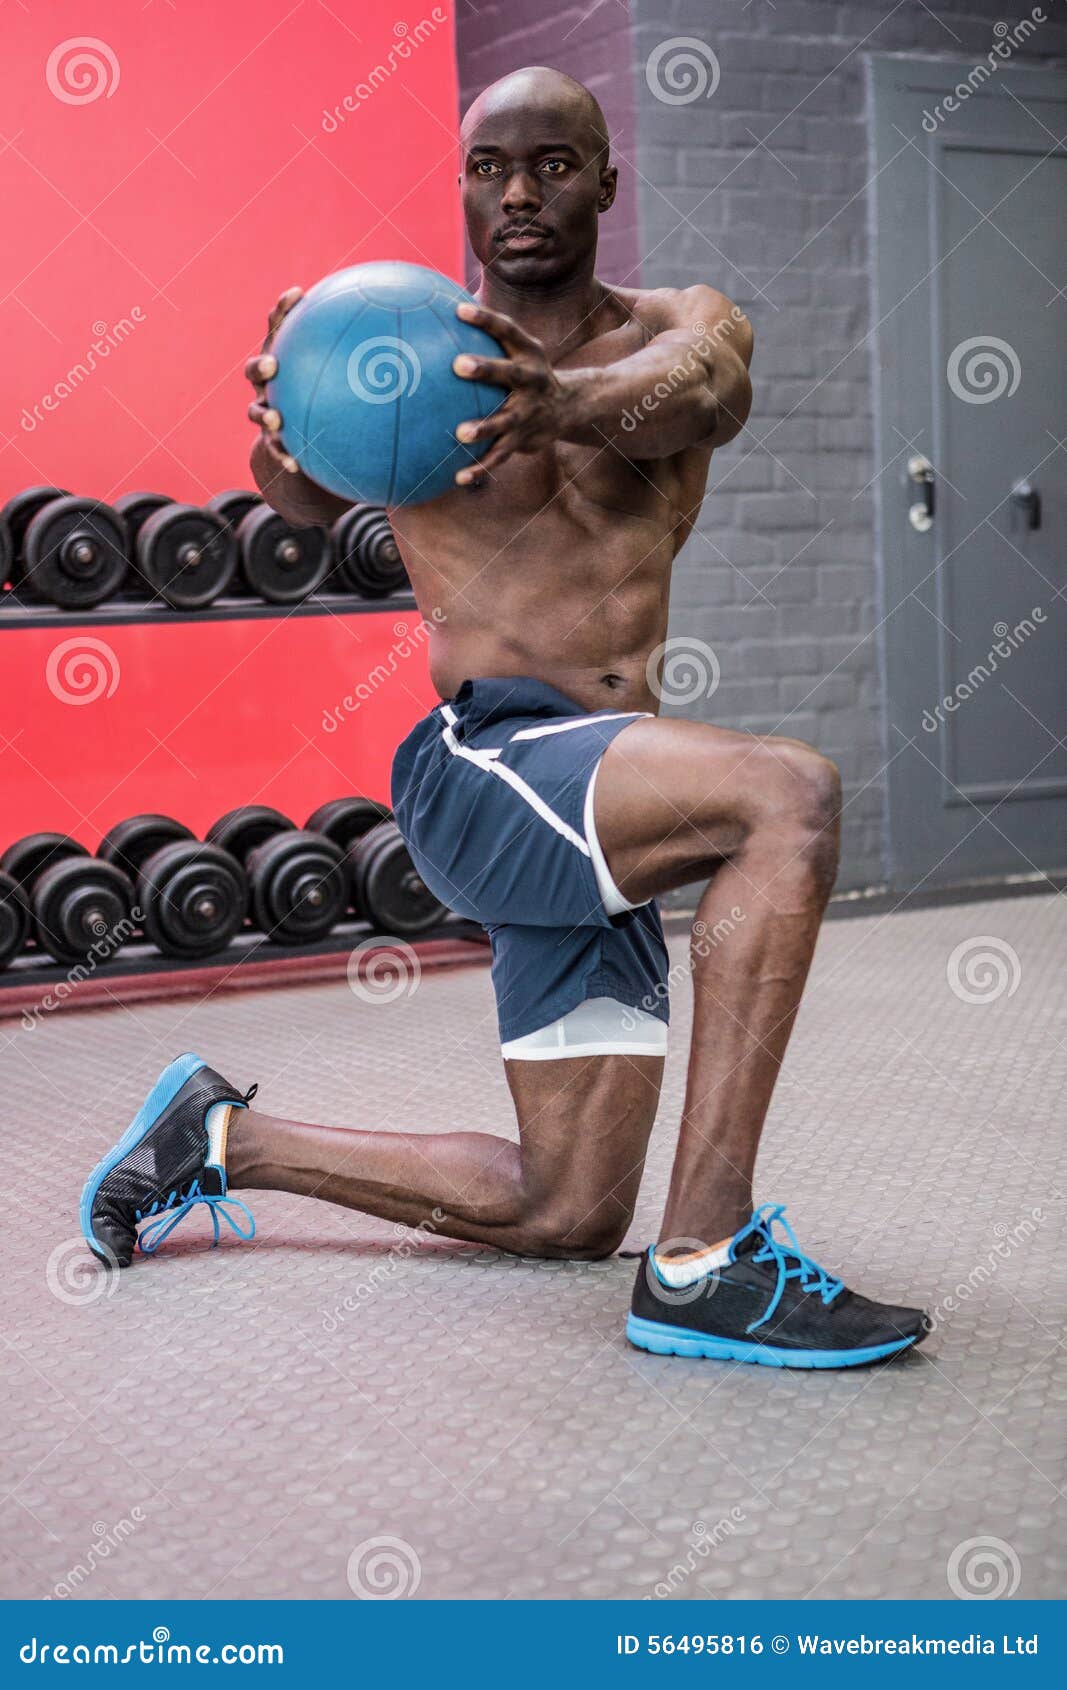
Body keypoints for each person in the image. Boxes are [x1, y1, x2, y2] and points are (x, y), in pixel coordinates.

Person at [81, 67, 926, 1368]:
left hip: (598, 808)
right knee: (786, 795)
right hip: (487, 761)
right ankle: (708, 1259)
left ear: (604, 179)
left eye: (551, 162)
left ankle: (218, 1135)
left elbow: (709, 390)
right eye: (490, 168)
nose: (520, 192)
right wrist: (285, 423)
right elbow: (297, 493)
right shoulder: (412, 355)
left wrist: (555, 402)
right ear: (466, 187)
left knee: (568, 1205)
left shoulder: (675, 326)